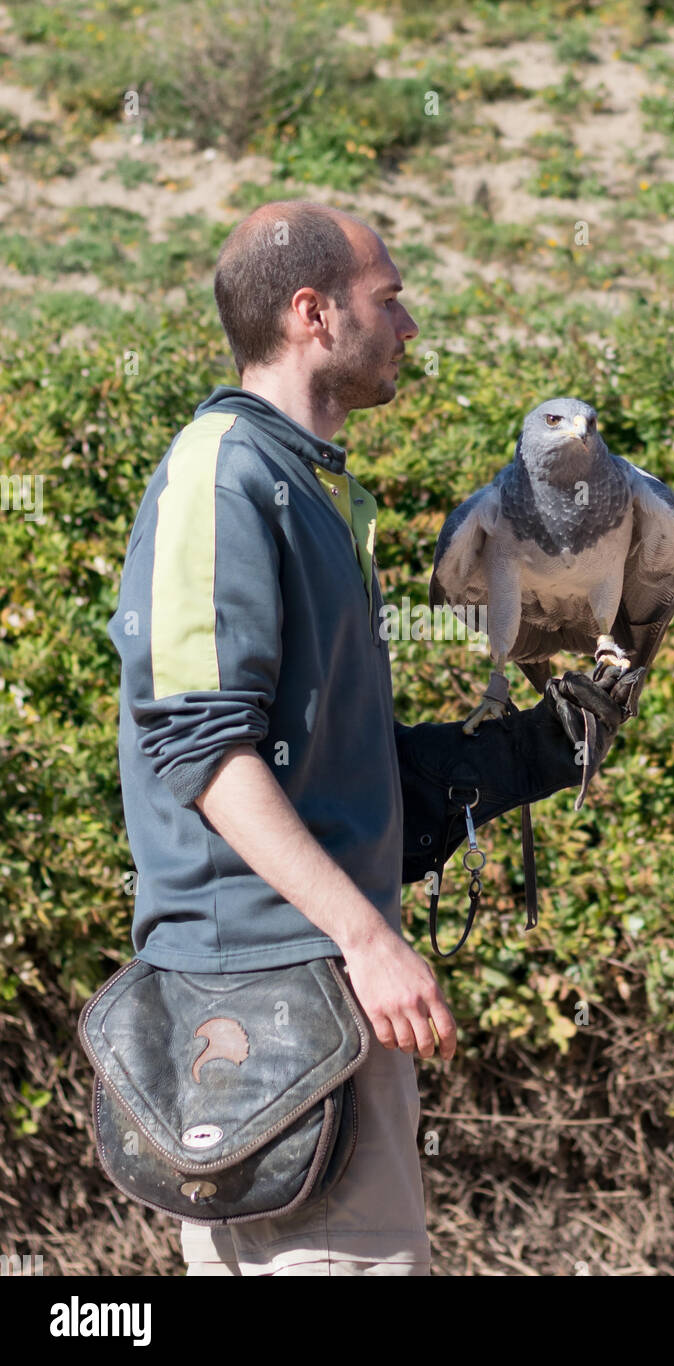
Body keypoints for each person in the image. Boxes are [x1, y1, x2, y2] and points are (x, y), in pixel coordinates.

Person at [106, 200, 630, 1277]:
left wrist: (538, 748)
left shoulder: (303, 480)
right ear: (312, 313)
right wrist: (367, 938)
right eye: (386, 297)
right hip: (263, 998)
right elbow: (204, 752)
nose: (408, 323)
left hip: (312, 982)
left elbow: (329, 766)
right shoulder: (221, 472)